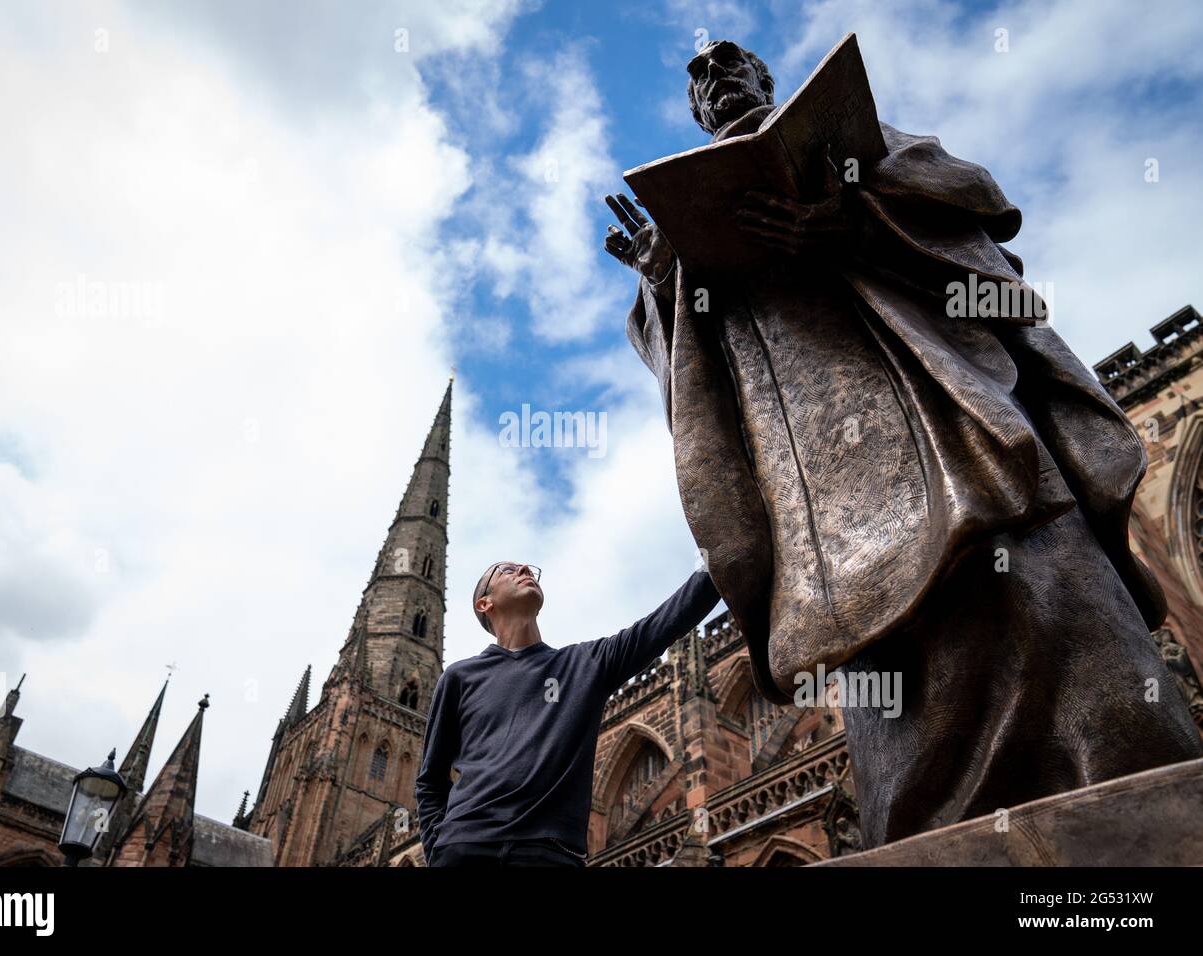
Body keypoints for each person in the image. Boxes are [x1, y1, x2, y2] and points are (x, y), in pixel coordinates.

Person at [605, 38, 1203, 847]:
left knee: (1080, 649)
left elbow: (981, 240)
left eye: (730, 67)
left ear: (766, 78)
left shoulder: (875, 152)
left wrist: (849, 226)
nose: (715, 83)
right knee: (916, 729)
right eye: (698, 82)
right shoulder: (692, 232)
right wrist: (665, 282)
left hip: (972, 434)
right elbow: (687, 379)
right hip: (835, 513)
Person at [414, 561, 720, 866]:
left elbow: (662, 625)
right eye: (508, 570)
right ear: (485, 603)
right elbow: (430, 780)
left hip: (550, 855)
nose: (525, 570)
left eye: (529, 569)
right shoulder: (459, 677)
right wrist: (439, 849)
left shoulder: (584, 664)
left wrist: (718, 558)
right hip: (465, 849)